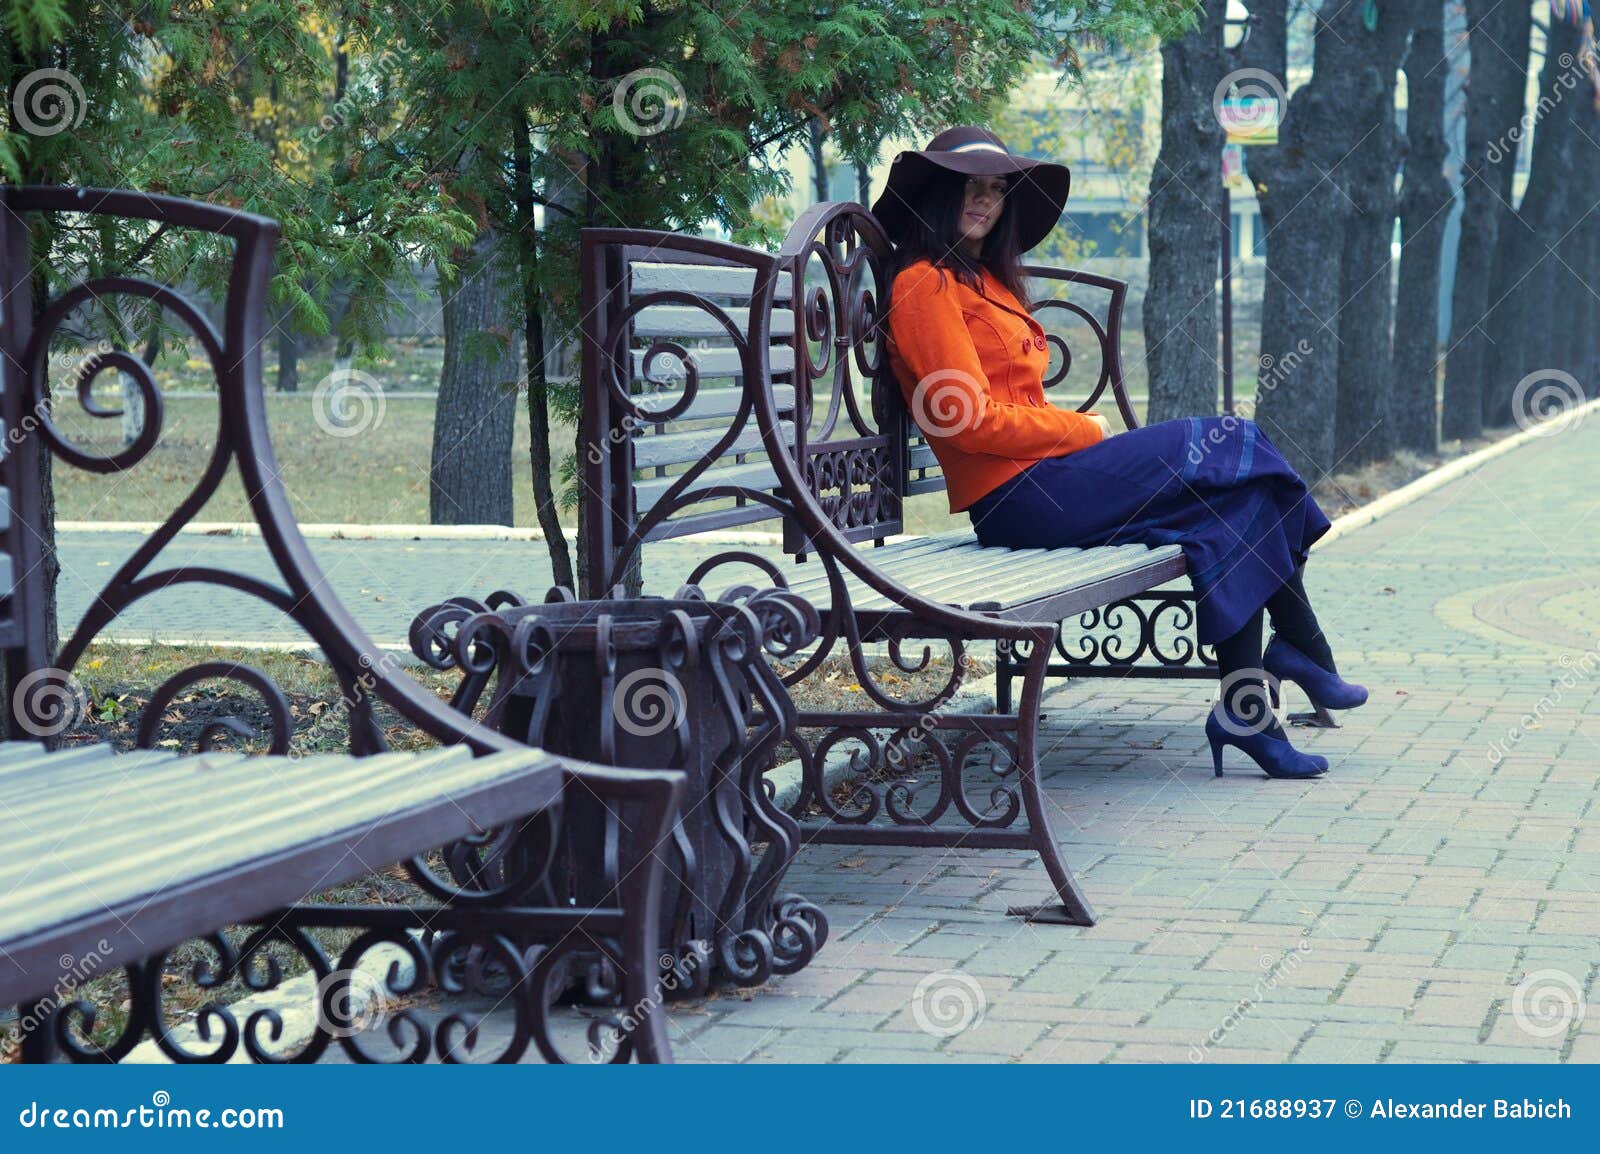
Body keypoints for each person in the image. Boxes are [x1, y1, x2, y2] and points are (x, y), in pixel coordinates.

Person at [872, 125, 1367, 781]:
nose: (986, 201)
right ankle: (1305, 649)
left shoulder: (983, 282)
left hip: (1051, 481)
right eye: (971, 187)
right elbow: (969, 424)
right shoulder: (924, 286)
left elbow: (1010, 407)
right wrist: (1082, 430)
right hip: (1018, 498)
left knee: (1242, 503)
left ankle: (1248, 715)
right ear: (939, 192)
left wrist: (1067, 432)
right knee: (1238, 439)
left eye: (996, 189)